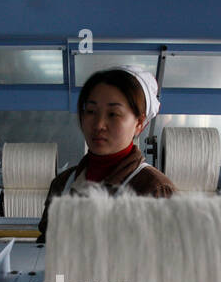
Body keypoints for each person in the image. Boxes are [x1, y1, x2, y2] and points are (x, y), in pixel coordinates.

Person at [37, 65, 176, 235]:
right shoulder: (62, 184)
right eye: (91, 111)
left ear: (139, 124)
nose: (99, 125)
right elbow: (44, 249)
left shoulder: (154, 190)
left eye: (113, 114)